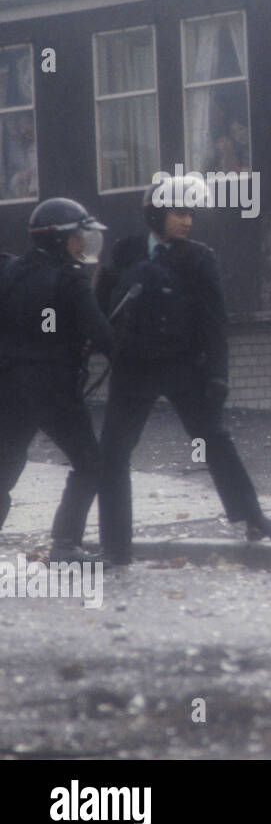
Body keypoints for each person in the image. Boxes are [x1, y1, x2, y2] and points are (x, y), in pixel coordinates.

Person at [94, 176, 271, 565]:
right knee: (114, 453)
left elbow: (215, 321)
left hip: (183, 366)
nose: (187, 222)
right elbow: (100, 308)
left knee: (215, 440)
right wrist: (111, 347)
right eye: (179, 213)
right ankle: (115, 545)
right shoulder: (125, 251)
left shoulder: (200, 258)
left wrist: (219, 374)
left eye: (191, 214)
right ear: (155, 215)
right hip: (134, 370)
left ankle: (254, 519)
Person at [0, 198, 114, 559]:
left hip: (9, 386)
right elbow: (102, 335)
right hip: (54, 390)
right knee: (89, 462)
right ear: (58, 239)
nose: (82, 244)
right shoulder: (71, 280)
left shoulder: (8, 271)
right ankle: (65, 543)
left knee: (6, 464)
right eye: (77, 237)